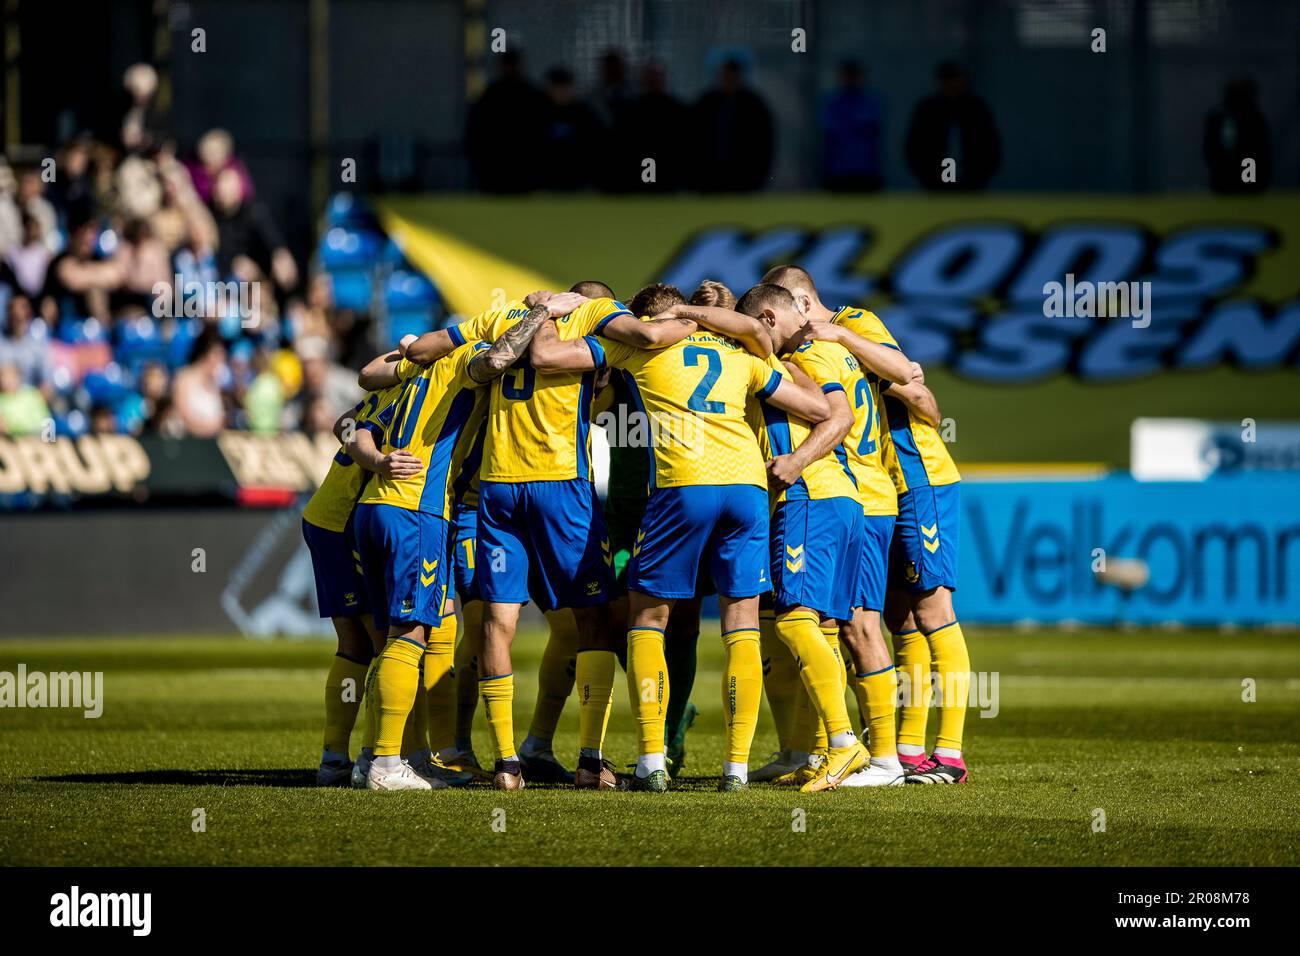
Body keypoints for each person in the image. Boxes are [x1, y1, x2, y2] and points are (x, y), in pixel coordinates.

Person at [530, 283, 834, 792]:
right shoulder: (740, 352)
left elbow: (546, 357)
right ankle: (736, 768)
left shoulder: (637, 347)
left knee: (647, 619)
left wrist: (547, 312)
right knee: (741, 624)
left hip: (679, 489)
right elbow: (819, 408)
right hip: (746, 488)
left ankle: (653, 758)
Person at [348, 295, 582, 790]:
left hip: (374, 507)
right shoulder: (464, 359)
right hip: (417, 509)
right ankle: (386, 765)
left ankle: (386, 755)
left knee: (393, 638)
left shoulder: (415, 376)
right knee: (409, 636)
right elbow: (496, 359)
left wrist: (379, 460)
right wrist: (543, 312)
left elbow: (358, 411)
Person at [905, 60, 999, 191]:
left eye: (955, 79)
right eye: (948, 80)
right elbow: (914, 144)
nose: (953, 84)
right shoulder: (928, 109)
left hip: (972, 180)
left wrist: (982, 173)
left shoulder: (976, 108)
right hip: (934, 181)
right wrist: (925, 173)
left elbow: (990, 143)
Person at [465, 50, 549, 192]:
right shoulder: (530, 95)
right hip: (503, 171)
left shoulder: (490, 95)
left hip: (511, 171)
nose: (511, 68)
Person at [690, 59, 774, 191]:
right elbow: (693, 136)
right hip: (710, 175)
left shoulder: (753, 105)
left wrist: (758, 174)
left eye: (731, 75)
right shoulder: (707, 103)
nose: (729, 79)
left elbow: (764, 141)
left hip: (744, 176)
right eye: (726, 75)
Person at [820, 60, 884, 192]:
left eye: (853, 76)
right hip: (838, 170)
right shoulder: (833, 103)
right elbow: (828, 137)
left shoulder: (869, 103)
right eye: (848, 76)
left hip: (865, 170)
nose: (850, 80)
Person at [1204, 75, 1271, 193]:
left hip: (1249, 174)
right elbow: (1211, 149)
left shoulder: (1254, 118)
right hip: (1223, 176)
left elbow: (1260, 150)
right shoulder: (1219, 117)